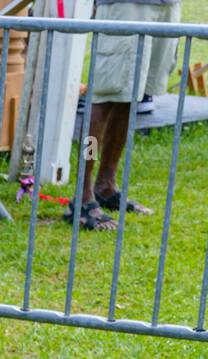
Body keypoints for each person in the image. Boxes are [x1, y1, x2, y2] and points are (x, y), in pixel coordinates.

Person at [69, 0, 180, 230]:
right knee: (104, 94)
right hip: (127, 5)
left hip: (167, 5)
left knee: (132, 93)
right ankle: (82, 197)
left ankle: (105, 187)